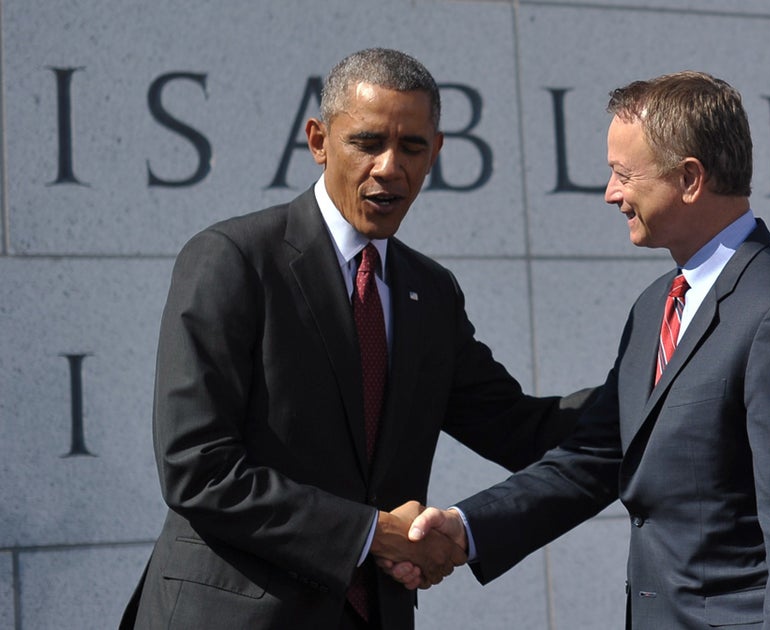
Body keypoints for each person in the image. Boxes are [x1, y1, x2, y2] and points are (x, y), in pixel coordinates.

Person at [121, 48, 588, 630]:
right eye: (367, 143)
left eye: (412, 146)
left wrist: (661, 378)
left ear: (435, 153)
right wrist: (373, 532)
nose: (391, 167)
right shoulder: (234, 260)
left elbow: (524, 429)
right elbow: (199, 468)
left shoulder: (432, 293)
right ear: (319, 141)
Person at [395, 71, 770, 629]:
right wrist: (465, 529)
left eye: (623, 174)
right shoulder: (654, 307)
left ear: (689, 178)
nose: (611, 193)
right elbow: (596, 456)